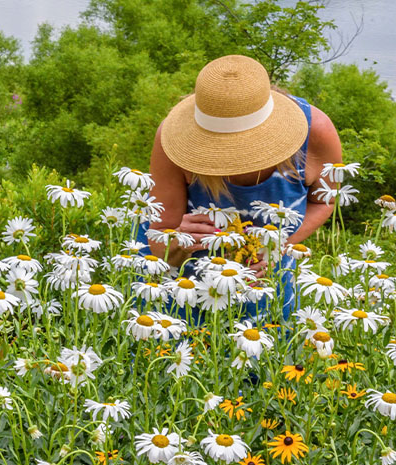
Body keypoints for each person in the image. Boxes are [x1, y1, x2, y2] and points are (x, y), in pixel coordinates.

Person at [140, 54, 343, 320]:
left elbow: (325, 200)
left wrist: (277, 246)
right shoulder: (172, 141)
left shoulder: (316, 132)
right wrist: (179, 241)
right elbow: (158, 241)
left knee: (272, 342)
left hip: (266, 283)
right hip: (186, 292)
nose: (235, 160)